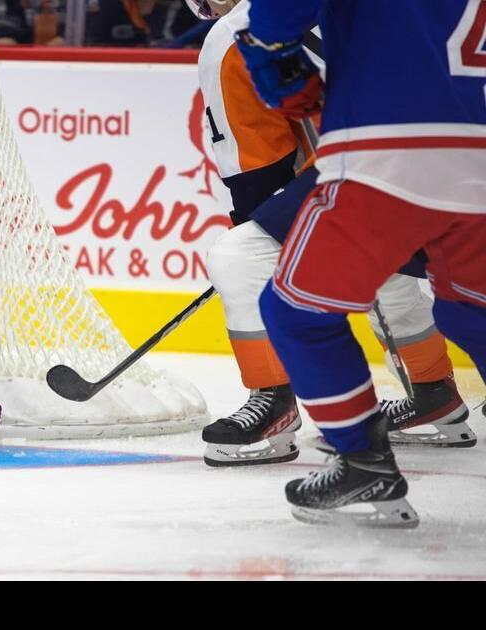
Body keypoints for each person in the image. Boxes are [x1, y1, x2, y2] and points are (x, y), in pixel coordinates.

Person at [187, 0, 473, 468]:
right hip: (460, 162)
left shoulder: (236, 32)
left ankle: (274, 404)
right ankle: (432, 393)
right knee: (377, 253)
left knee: (241, 255)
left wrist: (261, 222)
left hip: (389, 164)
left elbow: (257, 168)